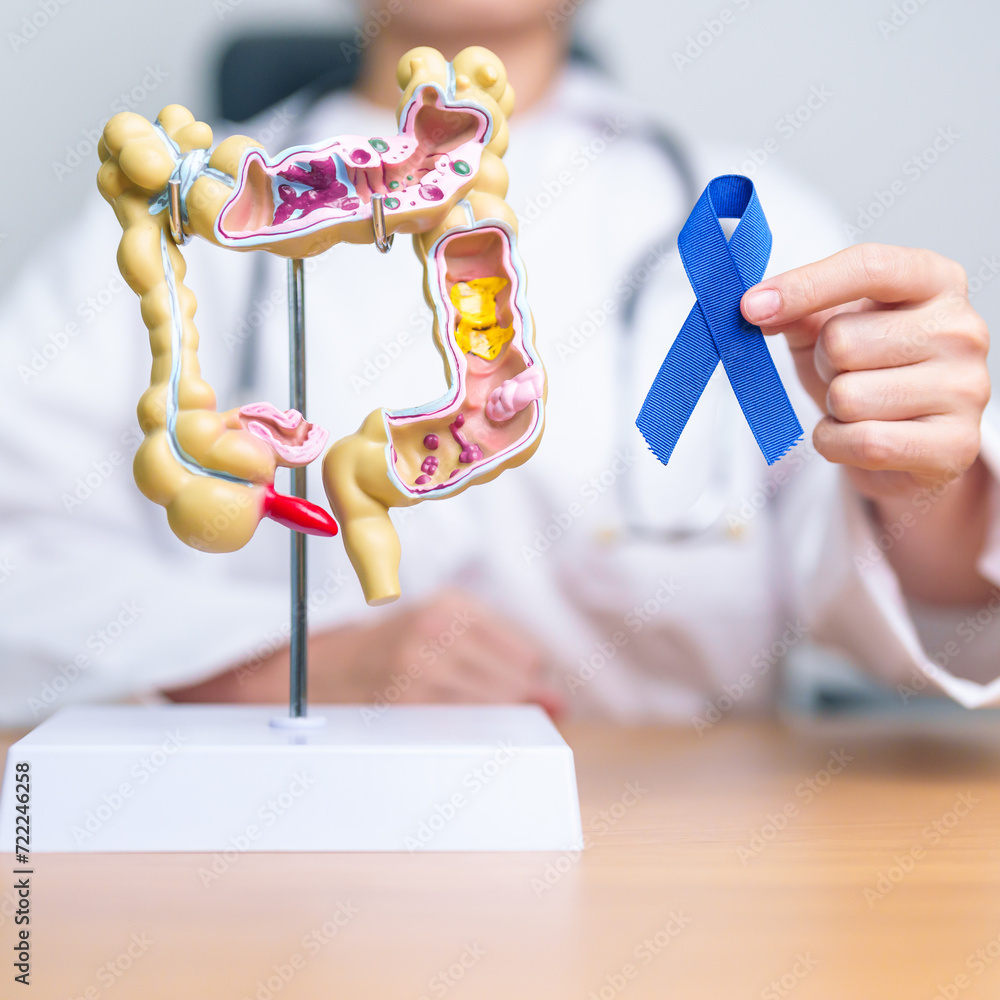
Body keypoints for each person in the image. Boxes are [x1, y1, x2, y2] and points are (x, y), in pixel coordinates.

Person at [0, 0, 997, 726]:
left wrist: (929, 488)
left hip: (676, 866)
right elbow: (19, 559)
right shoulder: (187, 220)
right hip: (275, 860)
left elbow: (921, 592)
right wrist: (278, 665)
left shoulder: (737, 222)